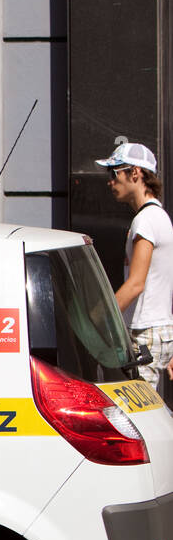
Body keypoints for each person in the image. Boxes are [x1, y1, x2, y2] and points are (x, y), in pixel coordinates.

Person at [96, 143, 173, 393]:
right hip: (155, 331)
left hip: (144, 333)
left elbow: (136, 283)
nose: (110, 181)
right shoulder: (157, 217)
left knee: (138, 420)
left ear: (135, 173)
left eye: (114, 173)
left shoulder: (146, 220)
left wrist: (97, 319)